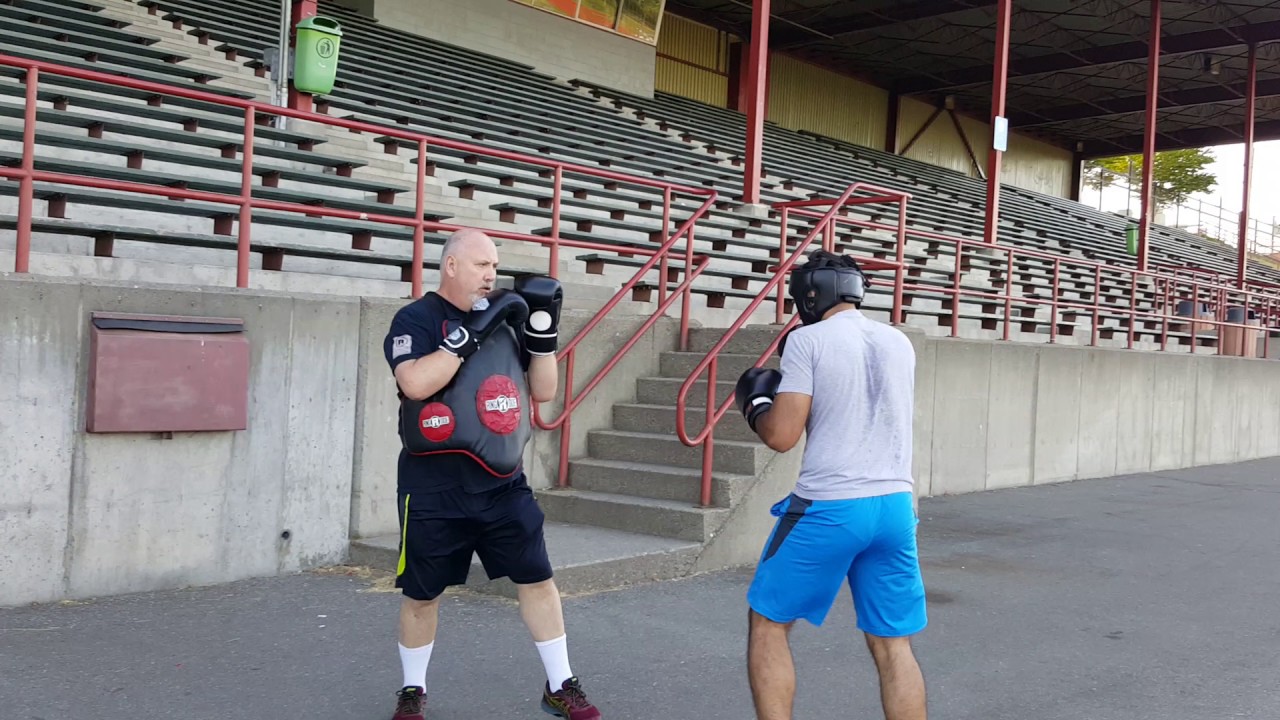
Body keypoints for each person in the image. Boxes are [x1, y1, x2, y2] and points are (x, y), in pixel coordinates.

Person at [382, 228, 601, 720]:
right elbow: (415, 383)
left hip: (503, 482)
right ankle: (412, 691)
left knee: (537, 578)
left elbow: (543, 390)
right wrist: (469, 334)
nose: (491, 275)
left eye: (495, 266)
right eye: (481, 265)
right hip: (434, 483)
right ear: (451, 266)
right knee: (422, 594)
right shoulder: (416, 318)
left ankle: (560, 684)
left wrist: (543, 335)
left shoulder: (506, 315)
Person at [735, 249, 928, 720]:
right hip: (895, 506)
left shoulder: (807, 341)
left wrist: (756, 406)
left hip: (831, 505)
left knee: (768, 624)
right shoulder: (898, 340)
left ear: (809, 295)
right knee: (892, 643)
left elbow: (782, 435)